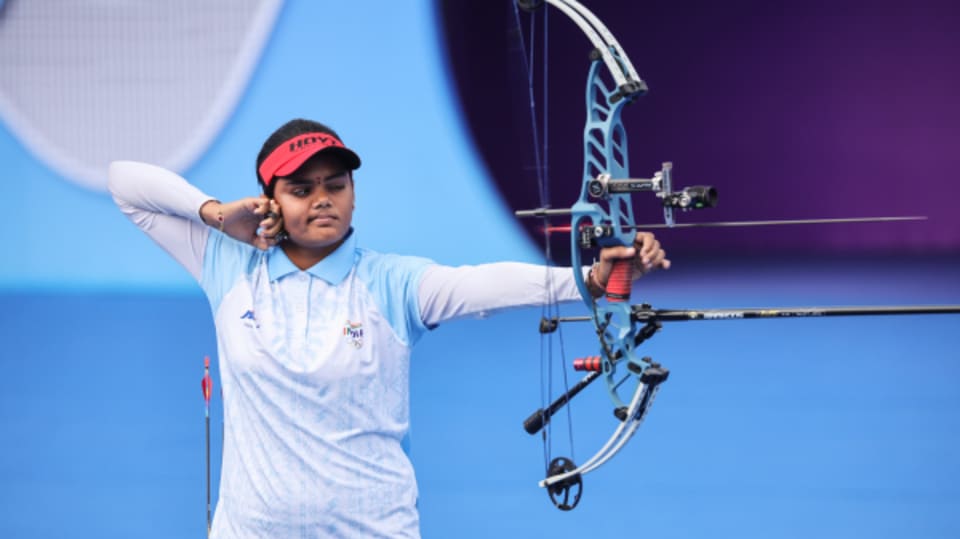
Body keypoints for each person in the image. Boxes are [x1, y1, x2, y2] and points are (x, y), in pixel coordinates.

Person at [108, 118, 669, 538]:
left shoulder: (391, 282)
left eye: (336, 183)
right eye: (301, 189)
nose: (323, 199)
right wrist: (213, 213)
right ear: (268, 201)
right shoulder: (228, 267)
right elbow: (124, 183)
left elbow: (481, 284)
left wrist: (591, 280)